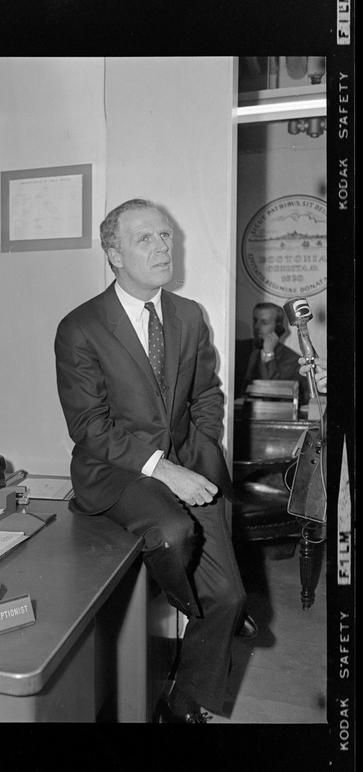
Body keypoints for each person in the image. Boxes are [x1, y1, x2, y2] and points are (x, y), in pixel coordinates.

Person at [55, 198, 246, 723]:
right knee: (173, 533)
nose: (164, 246)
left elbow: (208, 394)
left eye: (167, 236)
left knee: (230, 596)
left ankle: (185, 702)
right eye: (147, 238)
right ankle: (194, 605)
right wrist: (164, 470)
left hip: (186, 462)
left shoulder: (188, 315)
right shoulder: (81, 327)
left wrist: (201, 453)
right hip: (116, 473)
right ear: (114, 254)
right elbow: (89, 427)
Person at [234, 302, 309, 403]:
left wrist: (269, 355)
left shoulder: (292, 361)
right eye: (255, 321)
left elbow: (274, 396)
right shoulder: (238, 349)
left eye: (264, 322)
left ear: (278, 328)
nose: (256, 327)